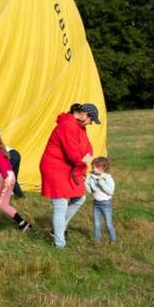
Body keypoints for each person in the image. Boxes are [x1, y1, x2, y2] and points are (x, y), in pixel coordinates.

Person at [40, 102, 100, 247]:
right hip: (55, 168)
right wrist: (83, 162)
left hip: (69, 168)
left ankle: (57, 229)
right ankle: (60, 244)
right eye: (91, 120)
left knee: (79, 197)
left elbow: (88, 145)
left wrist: (89, 155)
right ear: (84, 114)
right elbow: (72, 154)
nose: (91, 123)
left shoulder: (80, 126)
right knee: (60, 205)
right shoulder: (67, 126)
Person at [85, 156, 116, 244]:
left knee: (108, 224)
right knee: (96, 224)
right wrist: (87, 180)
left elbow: (110, 191)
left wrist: (102, 184)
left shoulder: (108, 178)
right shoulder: (93, 178)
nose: (92, 168)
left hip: (106, 204)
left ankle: (112, 240)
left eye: (94, 167)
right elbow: (89, 190)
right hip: (96, 204)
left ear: (101, 167)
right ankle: (97, 241)